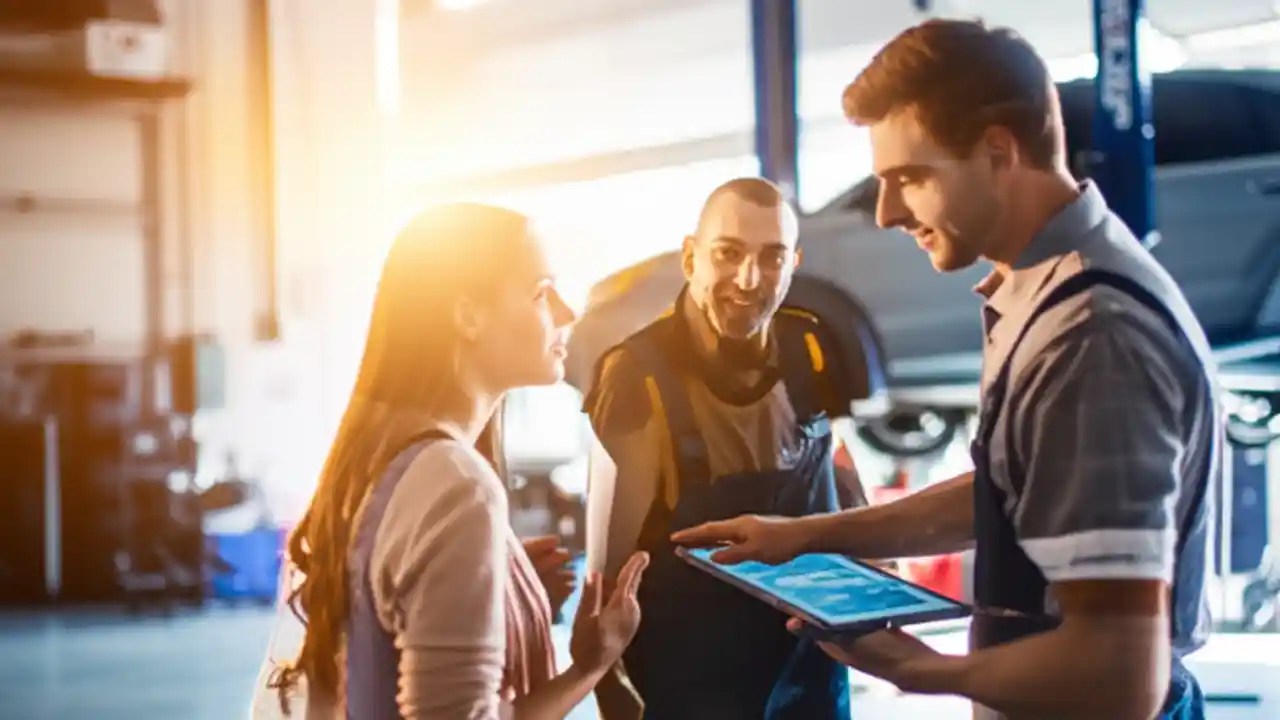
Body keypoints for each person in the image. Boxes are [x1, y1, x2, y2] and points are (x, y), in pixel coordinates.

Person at [673, 19, 1220, 720]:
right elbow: (1014, 491)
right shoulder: (1044, 292)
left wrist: (921, 671)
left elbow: (1118, 675)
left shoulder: (1090, 335)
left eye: (910, 178)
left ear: (998, 152)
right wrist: (808, 535)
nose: (886, 212)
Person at [256, 203, 650, 719]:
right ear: (467, 316)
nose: (567, 312)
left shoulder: (378, 457)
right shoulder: (457, 486)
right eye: (540, 292)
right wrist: (590, 667)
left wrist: (499, 597)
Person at [582, 177, 869, 719]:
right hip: (690, 686)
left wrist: (871, 552)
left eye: (771, 257)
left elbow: (835, 462)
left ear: (794, 263)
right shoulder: (636, 377)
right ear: (691, 258)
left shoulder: (810, 346)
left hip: (811, 674)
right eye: (728, 254)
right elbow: (606, 577)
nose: (749, 279)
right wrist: (612, 693)